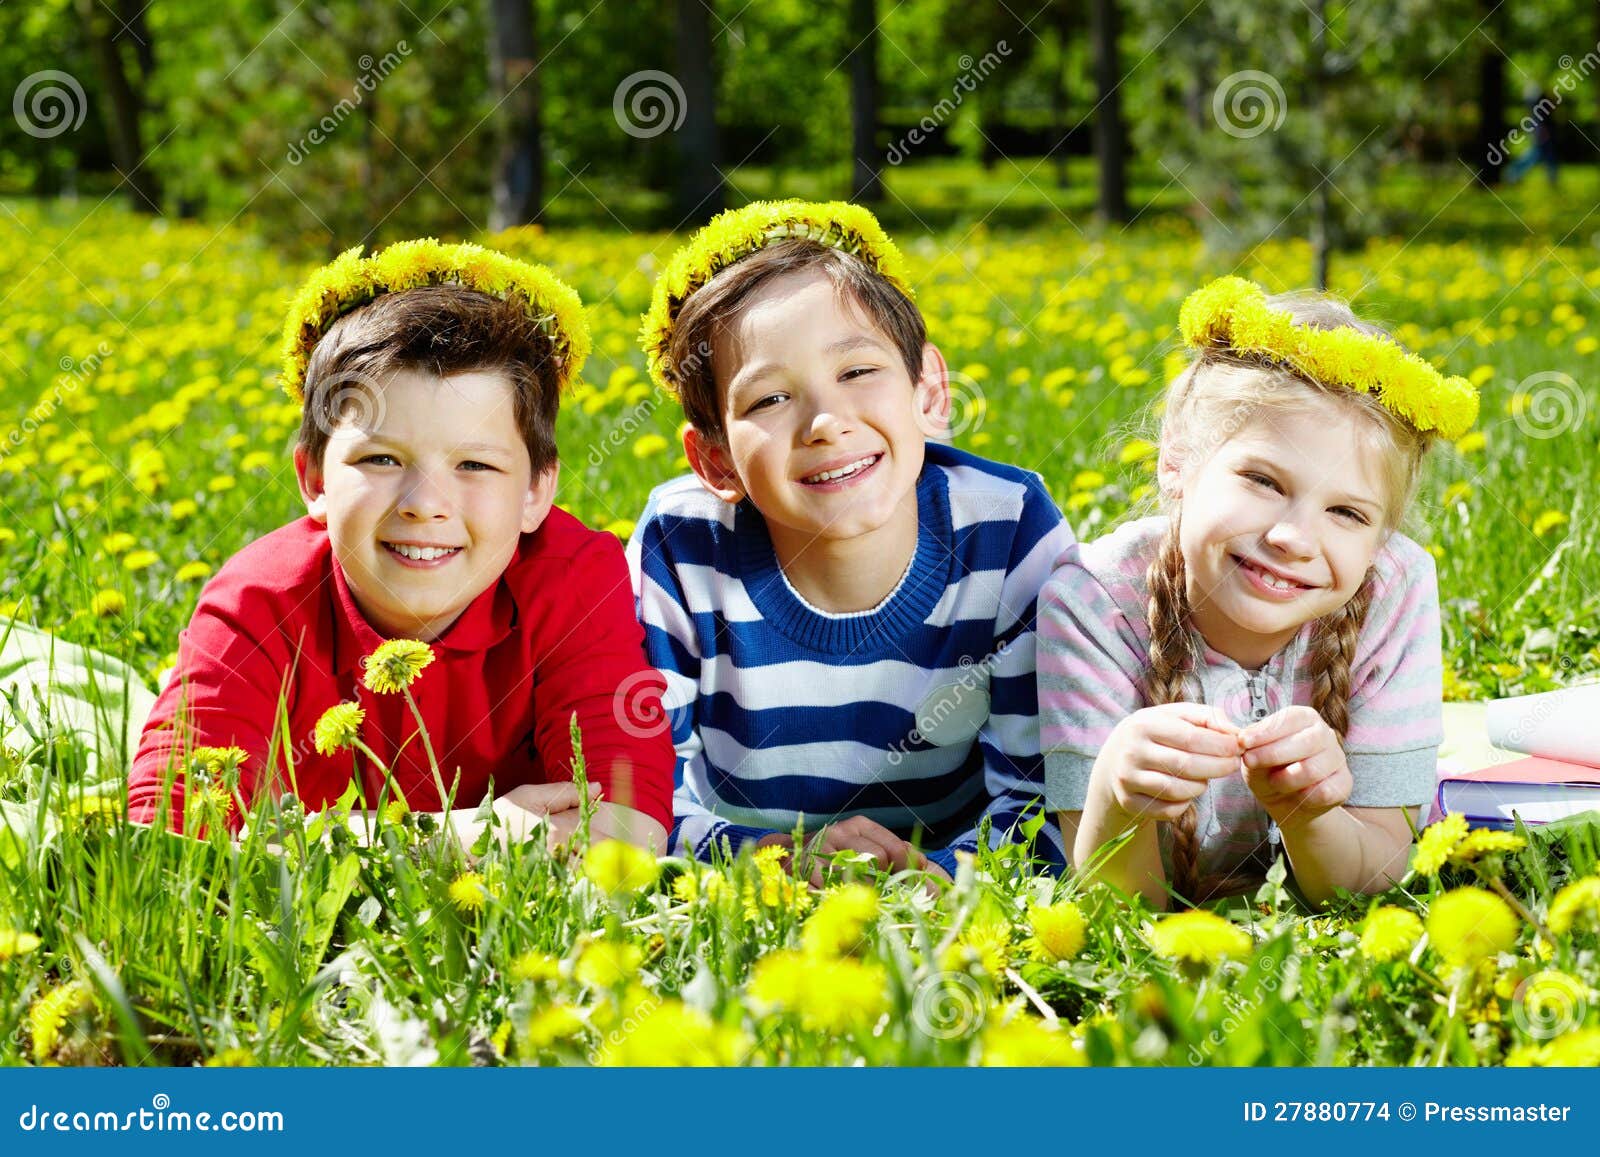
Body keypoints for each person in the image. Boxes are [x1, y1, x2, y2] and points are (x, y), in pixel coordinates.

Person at [127, 239, 673, 852]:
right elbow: (164, 842)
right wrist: (456, 837)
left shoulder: (573, 577)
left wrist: (292, 841)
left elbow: (628, 827)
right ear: (315, 480)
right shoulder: (258, 602)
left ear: (535, 492)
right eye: (382, 459)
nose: (425, 503)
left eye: (474, 464)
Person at [629, 200, 1075, 879]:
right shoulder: (682, 544)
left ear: (930, 393)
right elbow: (631, 797)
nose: (825, 422)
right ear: (716, 461)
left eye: (857, 372)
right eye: (770, 399)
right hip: (750, 857)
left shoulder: (1008, 528)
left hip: (952, 858)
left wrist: (947, 875)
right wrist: (773, 861)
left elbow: (1049, 794)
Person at [1039, 276, 1480, 906]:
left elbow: (1373, 881)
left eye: (1347, 513)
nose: (1293, 538)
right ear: (1176, 463)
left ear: (1381, 536)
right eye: (1263, 481)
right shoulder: (1093, 602)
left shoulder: (1395, 588)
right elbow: (1118, 907)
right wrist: (1116, 795)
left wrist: (1311, 816)